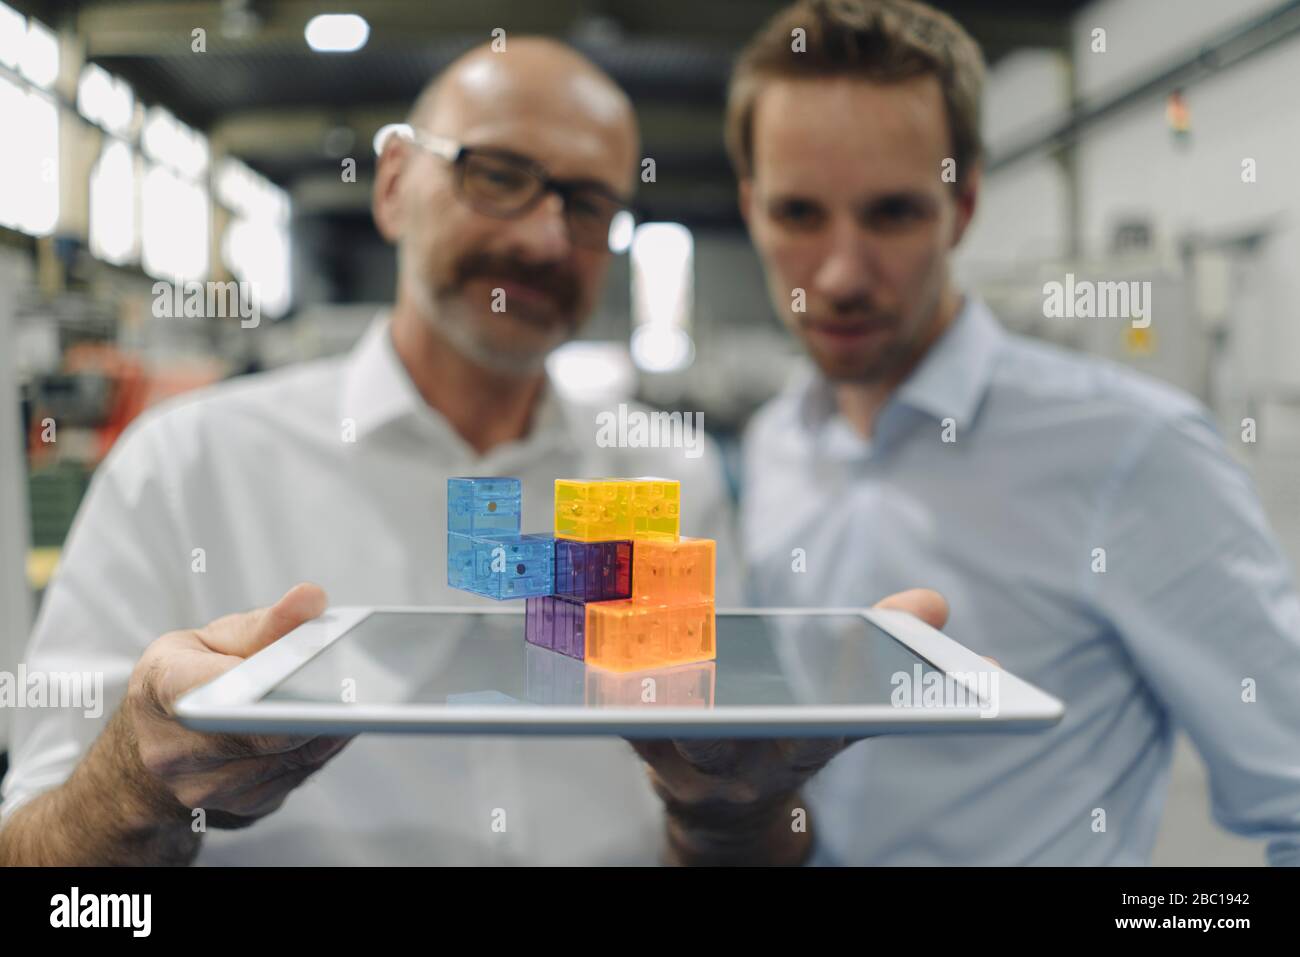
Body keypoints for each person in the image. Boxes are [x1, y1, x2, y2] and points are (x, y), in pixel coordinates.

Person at [1, 38, 764, 865]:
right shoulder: (185, 469)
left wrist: (744, 809)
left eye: (587, 204)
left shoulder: (670, 477)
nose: (546, 239)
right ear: (396, 183)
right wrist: (138, 783)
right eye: (499, 174)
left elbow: (731, 818)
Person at [636, 0, 1300, 866]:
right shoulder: (776, 443)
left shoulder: (1136, 451)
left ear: (965, 201)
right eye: (799, 214)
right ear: (752, 207)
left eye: (893, 213)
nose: (839, 275)